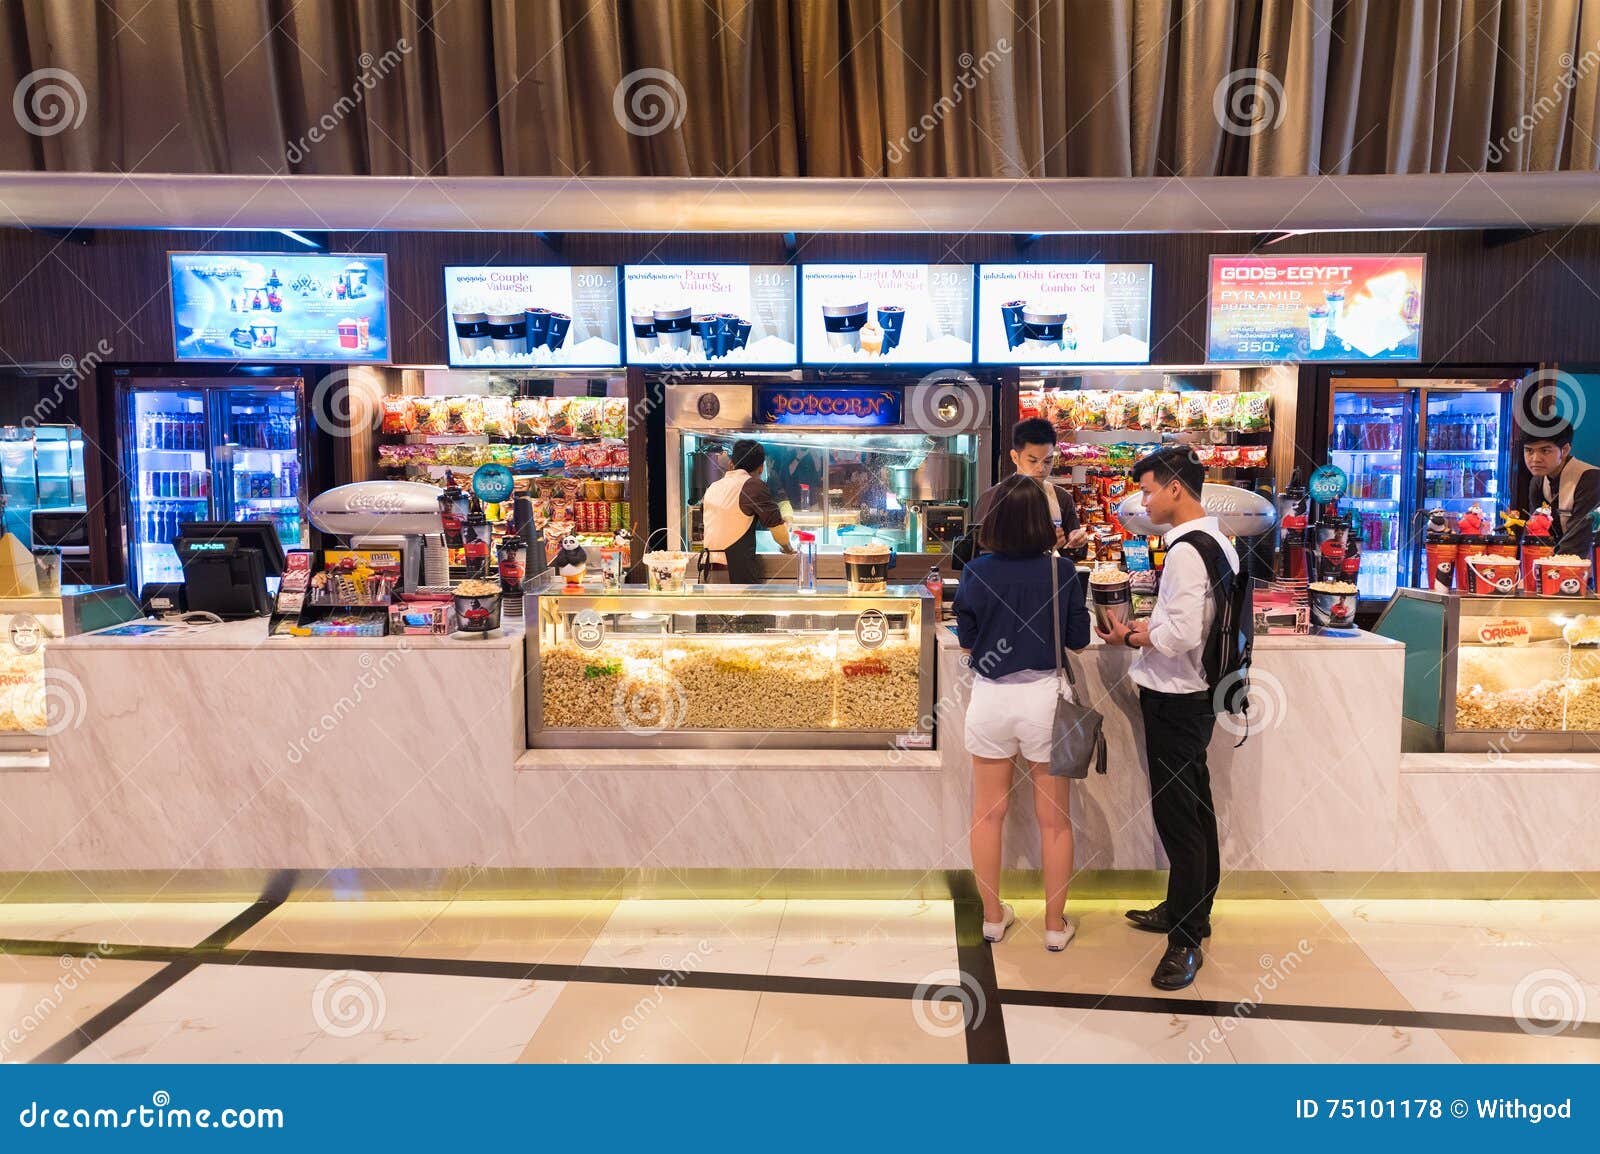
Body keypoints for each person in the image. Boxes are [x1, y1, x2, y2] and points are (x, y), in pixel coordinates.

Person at [1096, 446, 1234, 991]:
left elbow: (1179, 635)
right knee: (1195, 810)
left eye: (1149, 490)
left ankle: (1186, 938)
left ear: (1176, 488)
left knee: (1180, 818)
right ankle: (1185, 907)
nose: (1144, 501)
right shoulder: (1221, 540)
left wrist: (1130, 634)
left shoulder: (1184, 551)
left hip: (1177, 697)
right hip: (1203, 693)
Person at [954, 474, 1091, 952]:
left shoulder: (975, 572)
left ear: (993, 521)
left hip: (990, 699)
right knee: (1054, 821)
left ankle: (993, 919)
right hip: (1044, 701)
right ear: (1042, 523)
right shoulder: (1062, 573)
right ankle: (1054, 926)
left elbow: (967, 639)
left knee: (987, 815)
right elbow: (1078, 640)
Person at [955, 417, 1090, 566]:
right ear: (1015, 457)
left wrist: (1078, 541)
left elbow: (1074, 554)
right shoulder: (991, 498)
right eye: (1033, 461)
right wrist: (1043, 547)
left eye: (1048, 461)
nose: (1041, 468)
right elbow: (980, 554)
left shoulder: (1061, 498)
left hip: (1048, 583)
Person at [699, 441, 794, 584]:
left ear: (732, 463)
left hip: (707, 569)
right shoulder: (753, 486)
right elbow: (778, 529)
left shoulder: (713, 487)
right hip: (736, 572)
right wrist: (788, 548)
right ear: (761, 468)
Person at [1522, 420, 1599, 557]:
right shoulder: (1538, 481)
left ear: (1565, 450)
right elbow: (1537, 533)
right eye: (1529, 450)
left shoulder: (1591, 478)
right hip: (1561, 565)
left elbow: (1578, 540)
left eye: (1545, 450)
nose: (1535, 459)